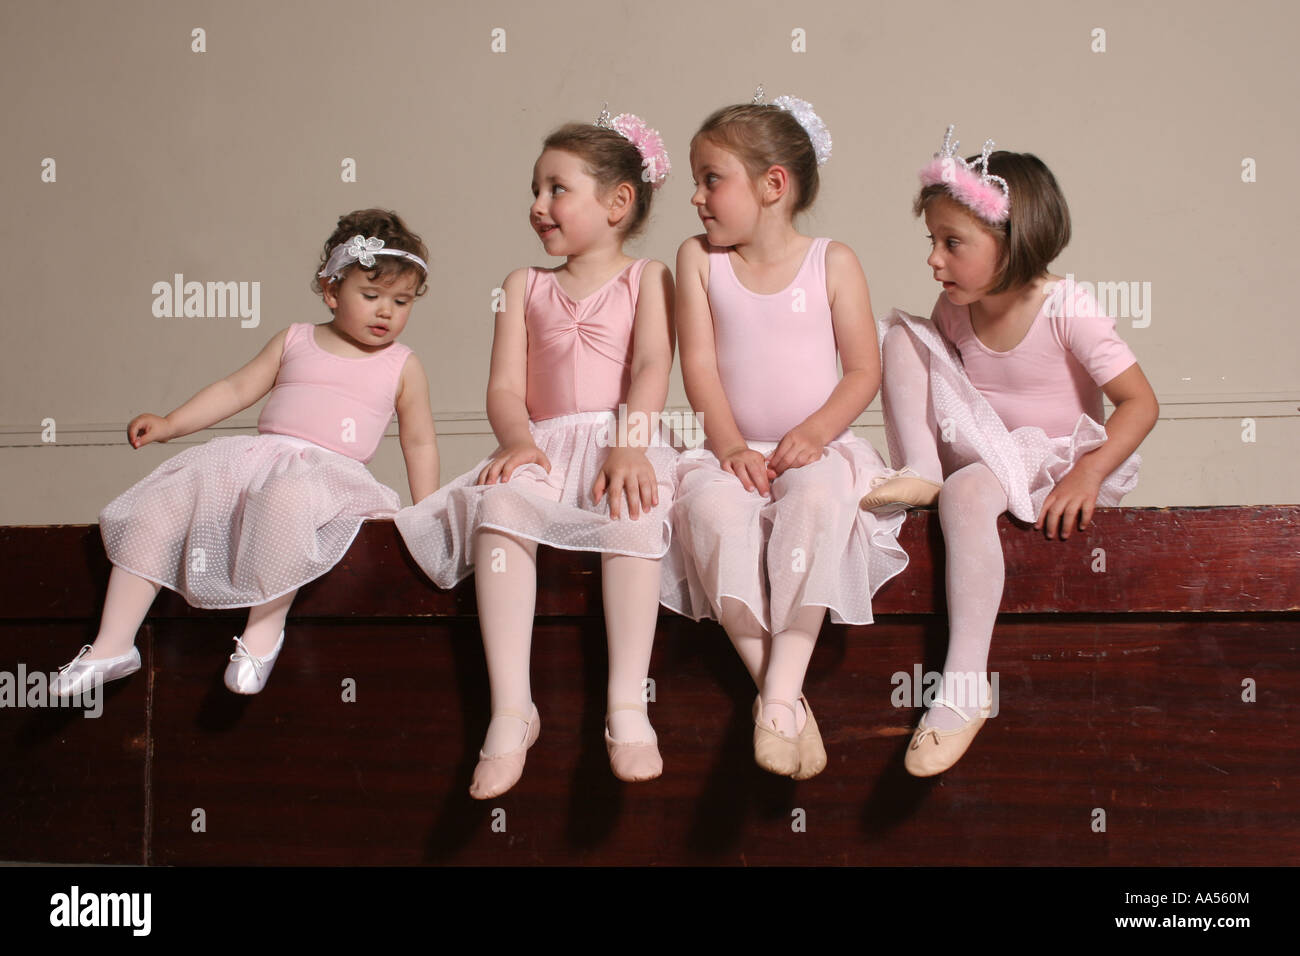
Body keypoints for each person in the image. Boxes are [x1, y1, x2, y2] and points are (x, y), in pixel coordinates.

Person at [395, 107, 676, 798]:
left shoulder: (649, 278)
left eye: (557, 189)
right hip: (546, 441)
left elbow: (650, 367)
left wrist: (630, 445)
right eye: (535, 188)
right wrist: (518, 441)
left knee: (634, 516)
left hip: (620, 439)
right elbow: (504, 386)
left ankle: (627, 706)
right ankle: (512, 708)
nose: (537, 204)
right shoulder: (525, 285)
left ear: (618, 202)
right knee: (501, 507)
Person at [864, 126, 1159, 775]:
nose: (934, 261)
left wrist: (1088, 473)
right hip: (986, 451)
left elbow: (1141, 403)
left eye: (952, 243)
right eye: (932, 242)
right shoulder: (953, 309)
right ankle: (918, 469)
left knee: (969, 490)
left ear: (1011, 242)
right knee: (898, 334)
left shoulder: (1067, 307)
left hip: (1054, 460)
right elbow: (950, 389)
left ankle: (964, 689)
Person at [53, 209, 438, 698]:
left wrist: (427, 510)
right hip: (257, 459)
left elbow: (419, 440)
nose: (386, 312)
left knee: (284, 499)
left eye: (401, 301)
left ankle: (262, 633)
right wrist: (172, 423)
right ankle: (113, 642)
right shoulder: (296, 339)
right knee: (163, 501)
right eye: (371, 296)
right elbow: (236, 389)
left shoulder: (402, 365)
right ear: (331, 290)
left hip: (328, 476)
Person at [660, 91, 908, 780]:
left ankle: (774, 697)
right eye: (696, 179)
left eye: (712, 178)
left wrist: (816, 432)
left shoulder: (832, 261)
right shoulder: (698, 260)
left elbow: (863, 368)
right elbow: (700, 368)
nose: (696, 197)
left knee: (819, 503)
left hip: (815, 445)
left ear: (774, 184)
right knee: (708, 513)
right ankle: (785, 699)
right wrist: (731, 445)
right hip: (732, 450)